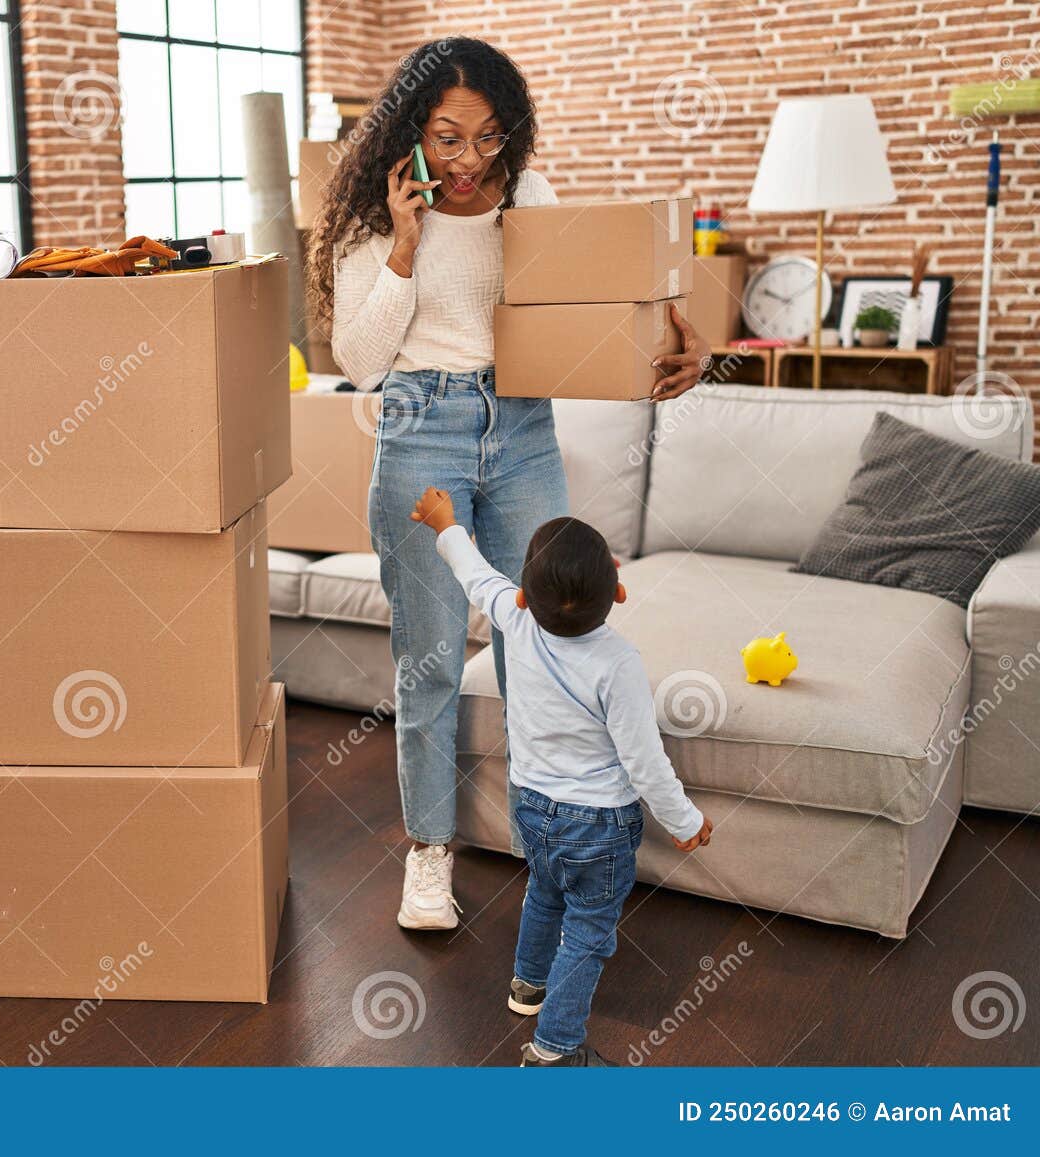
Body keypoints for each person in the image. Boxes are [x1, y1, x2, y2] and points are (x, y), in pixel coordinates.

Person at [306, 36, 710, 930]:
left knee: (555, 631)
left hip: (522, 424)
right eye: (447, 138)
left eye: (489, 138)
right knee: (431, 658)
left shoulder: (531, 198)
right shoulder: (373, 219)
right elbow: (362, 363)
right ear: (412, 129)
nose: (468, 161)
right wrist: (407, 246)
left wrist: (683, 336)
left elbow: (604, 296)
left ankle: (557, 835)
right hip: (419, 425)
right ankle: (429, 852)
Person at [409, 488, 713, 1066]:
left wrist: (444, 524)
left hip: (530, 807)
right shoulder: (618, 662)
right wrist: (685, 821)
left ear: (523, 596)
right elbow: (644, 760)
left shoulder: (515, 620)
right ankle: (555, 1051)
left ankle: (527, 986)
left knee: (545, 893)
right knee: (589, 933)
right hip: (597, 827)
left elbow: (475, 576)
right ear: (618, 594)